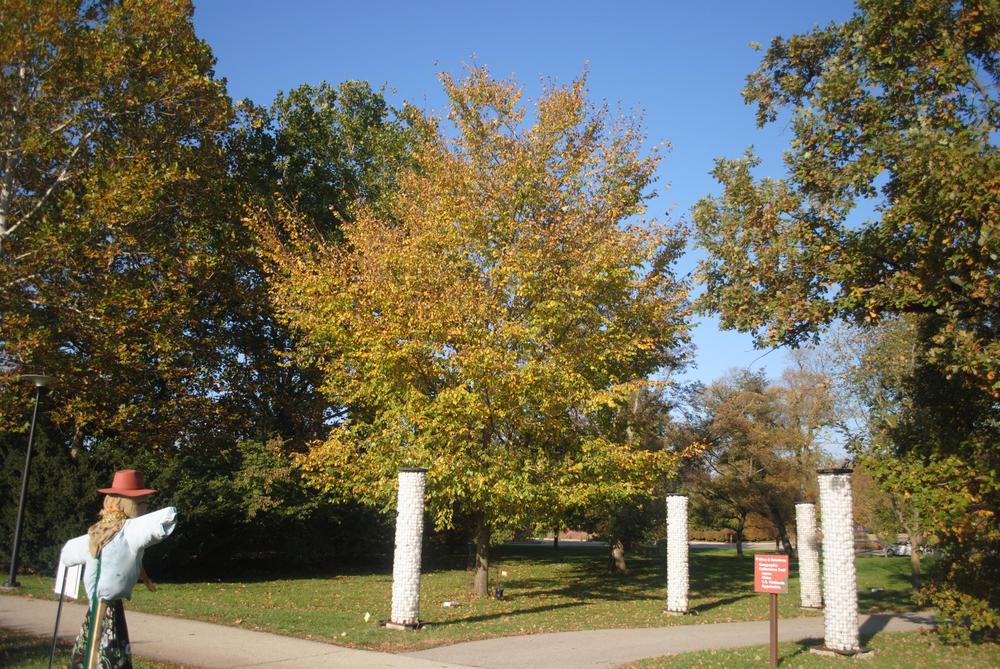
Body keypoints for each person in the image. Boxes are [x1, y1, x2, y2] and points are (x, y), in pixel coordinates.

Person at [59, 469, 176, 669]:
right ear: (122, 502)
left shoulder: (108, 530)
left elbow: (68, 551)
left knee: (98, 642)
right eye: (140, 503)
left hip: (105, 602)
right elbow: (165, 518)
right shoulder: (121, 531)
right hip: (102, 603)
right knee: (104, 647)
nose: (145, 507)